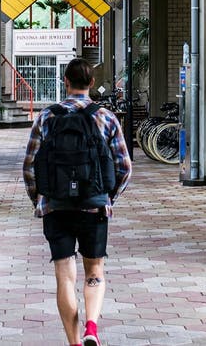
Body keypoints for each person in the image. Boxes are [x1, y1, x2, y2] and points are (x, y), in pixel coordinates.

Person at [23, 57, 132, 346]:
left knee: (65, 277)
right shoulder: (106, 117)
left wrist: (41, 200)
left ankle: (72, 343)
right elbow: (125, 166)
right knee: (94, 271)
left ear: (65, 82)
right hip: (93, 205)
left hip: (56, 206)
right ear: (91, 83)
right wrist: (108, 198)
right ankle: (92, 329)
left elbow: (30, 166)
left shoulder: (47, 117)